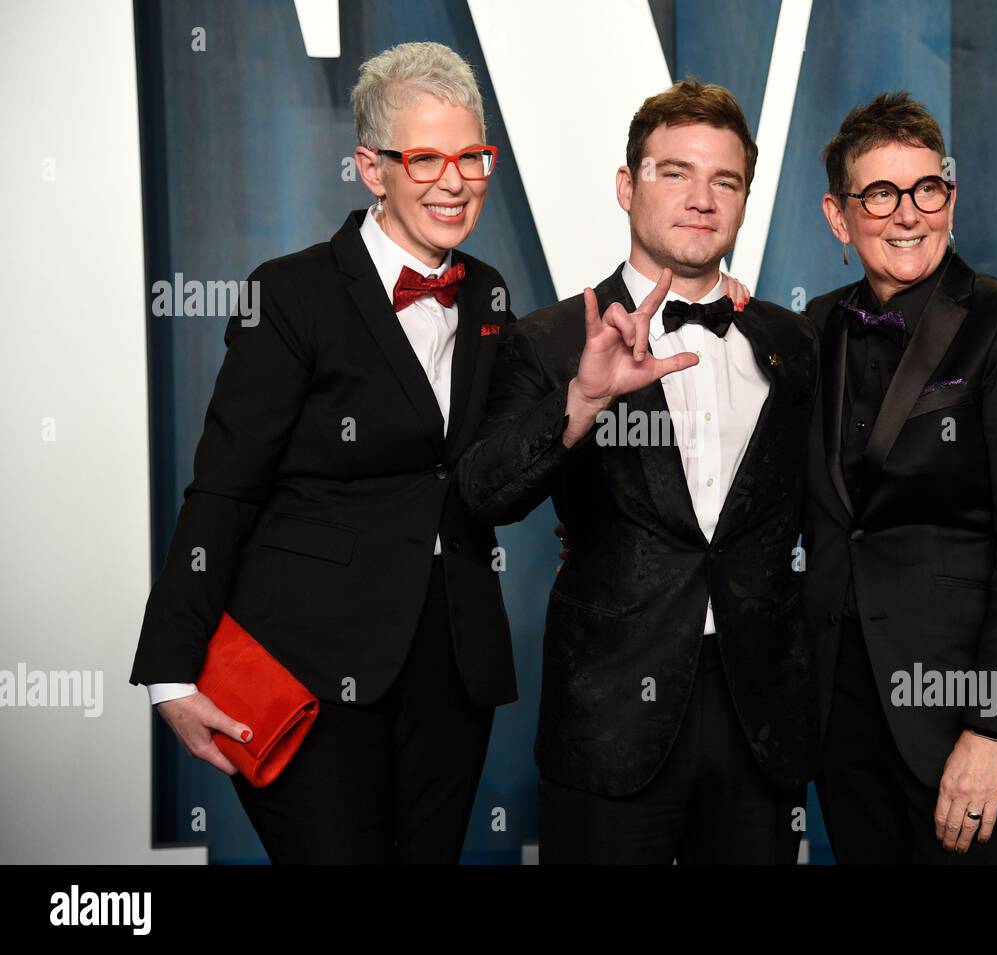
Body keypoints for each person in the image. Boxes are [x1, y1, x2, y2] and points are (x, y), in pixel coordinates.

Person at [128, 41, 518, 863]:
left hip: (453, 667)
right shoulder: (294, 292)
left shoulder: (489, 294)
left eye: (472, 156)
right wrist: (170, 671)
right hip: (307, 664)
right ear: (372, 170)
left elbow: (486, 465)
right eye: (425, 157)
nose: (455, 180)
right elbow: (224, 489)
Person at [457, 79, 817, 864]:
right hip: (610, 716)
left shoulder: (792, 342)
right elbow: (483, 492)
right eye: (674, 172)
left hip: (763, 717)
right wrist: (581, 401)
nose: (701, 197)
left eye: (725, 180)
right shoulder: (551, 339)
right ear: (628, 186)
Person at [801, 91, 997, 864]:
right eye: (880, 194)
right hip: (847, 720)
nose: (908, 214)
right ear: (839, 216)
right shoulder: (810, 330)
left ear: (950, 197)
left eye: (927, 189)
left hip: (968, 719)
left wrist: (992, 729)